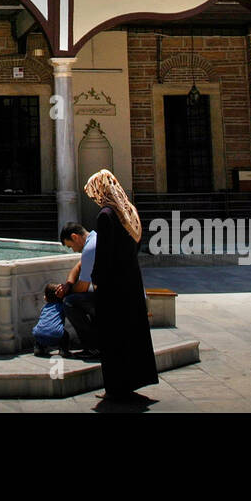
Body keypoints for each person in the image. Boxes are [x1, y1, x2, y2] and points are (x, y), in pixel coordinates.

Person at [84, 169, 158, 402]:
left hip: (114, 286)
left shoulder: (106, 215)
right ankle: (134, 379)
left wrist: (96, 280)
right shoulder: (128, 212)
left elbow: (104, 255)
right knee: (132, 332)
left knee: (114, 336)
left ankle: (115, 387)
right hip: (131, 281)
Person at [56, 222, 99, 355]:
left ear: (75, 237)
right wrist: (68, 284)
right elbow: (78, 266)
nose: (73, 250)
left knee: (69, 302)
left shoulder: (90, 249)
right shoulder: (95, 239)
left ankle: (92, 347)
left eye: (70, 246)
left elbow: (82, 287)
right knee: (87, 295)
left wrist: (66, 292)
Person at [32, 283, 69, 357]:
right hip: (56, 335)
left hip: (38, 334)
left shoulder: (44, 307)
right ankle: (63, 350)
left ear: (45, 298)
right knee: (65, 335)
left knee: (40, 330)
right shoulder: (61, 306)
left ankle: (38, 348)